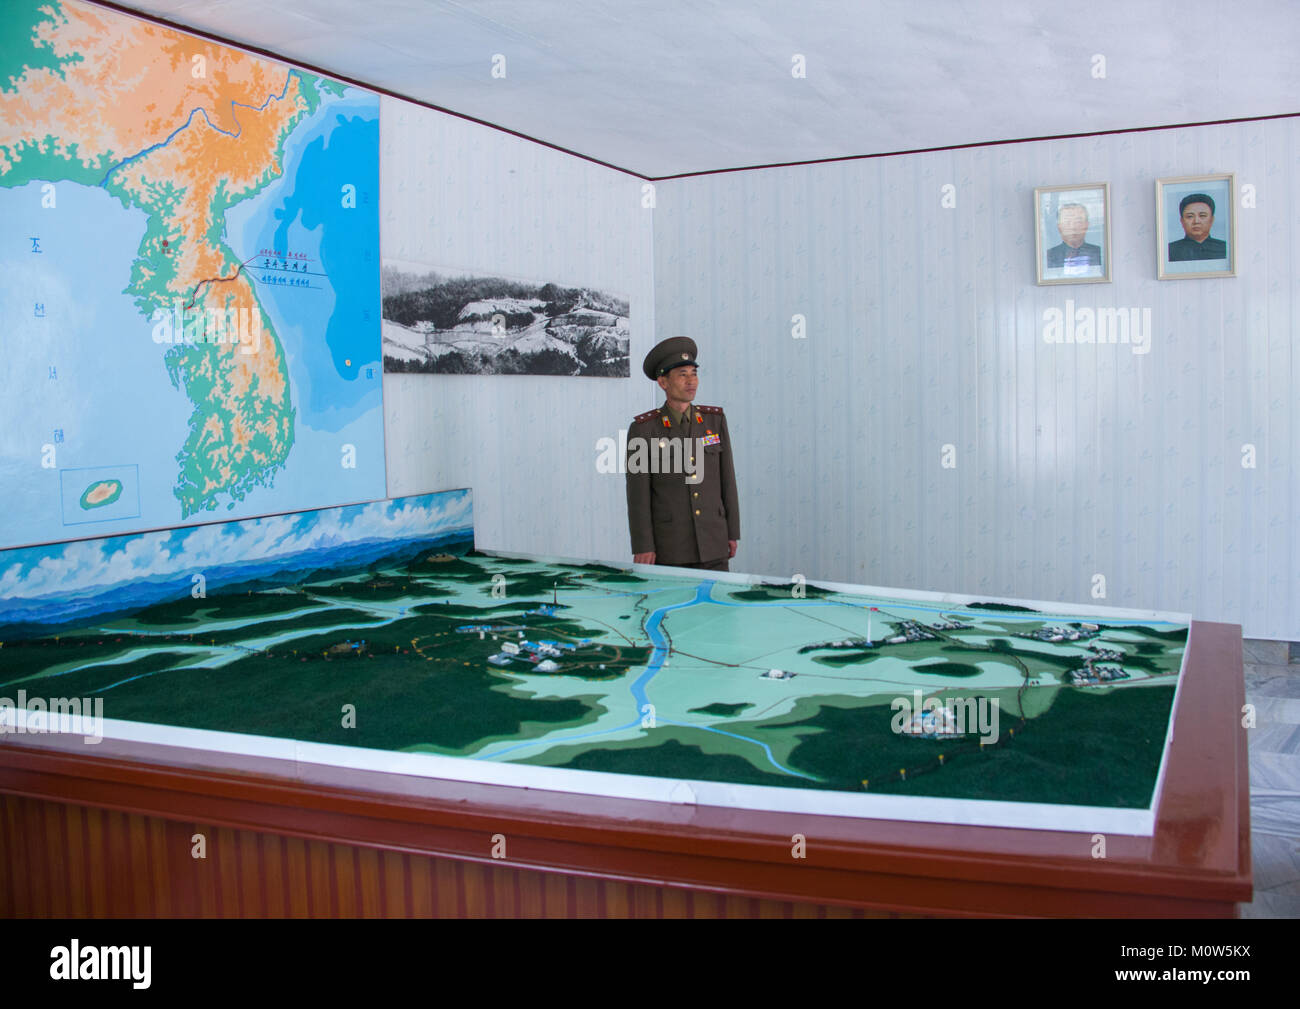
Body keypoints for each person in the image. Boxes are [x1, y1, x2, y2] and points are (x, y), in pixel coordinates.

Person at [626, 336, 739, 570]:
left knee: (717, 605)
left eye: (694, 373)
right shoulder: (644, 429)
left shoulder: (714, 420)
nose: (691, 381)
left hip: (714, 542)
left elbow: (727, 480)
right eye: (682, 374)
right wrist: (643, 545)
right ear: (663, 382)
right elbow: (638, 495)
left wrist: (732, 531)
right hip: (671, 546)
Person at [1045, 203, 1102, 274]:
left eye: (1078, 222)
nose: (1072, 227)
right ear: (1059, 227)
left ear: (1087, 225)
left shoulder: (1098, 252)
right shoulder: (1049, 255)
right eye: (1067, 222)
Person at [1167, 193, 1227, 261]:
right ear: (1182, 221)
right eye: (1190, 216)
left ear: (1212, 220)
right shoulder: (1169, 250)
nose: (1196, 221)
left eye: (1202, 216)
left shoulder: (1225, 248)